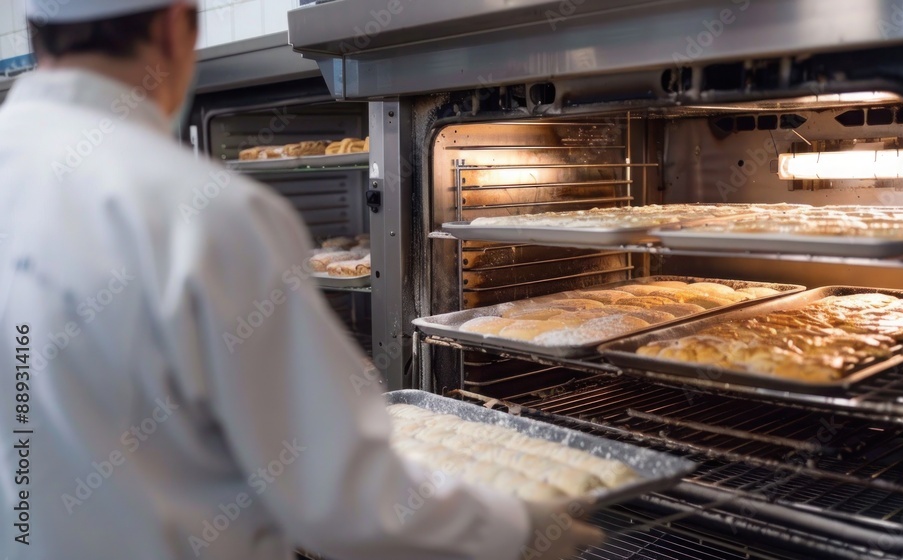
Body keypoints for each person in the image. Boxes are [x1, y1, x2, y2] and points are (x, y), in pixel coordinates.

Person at [0, 1, 604, 559]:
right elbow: (340, 494)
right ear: (175, 28)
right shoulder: (202, 212)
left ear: (37, 34)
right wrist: (516, 532)